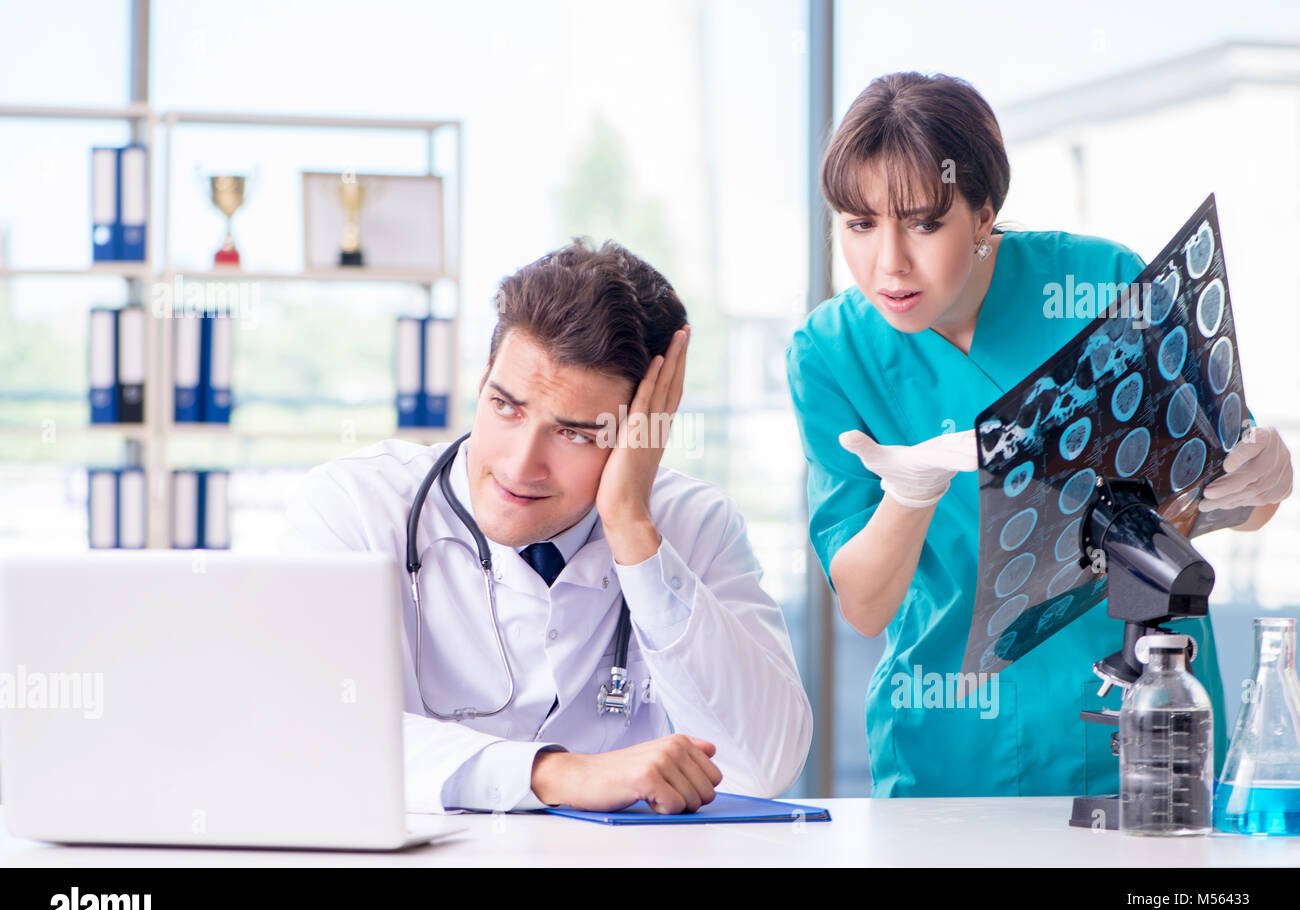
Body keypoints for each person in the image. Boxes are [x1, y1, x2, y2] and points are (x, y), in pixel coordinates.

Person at [786, 72, 1293, 798]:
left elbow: (1222, 496)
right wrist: (909, 494)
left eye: (925, 223)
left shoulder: (1101, 282)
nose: (888, 263)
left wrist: (1269, 475)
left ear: (985, 213)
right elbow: (864, 605)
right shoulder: (831, 352)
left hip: (1140, 715)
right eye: (859, 224)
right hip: (950, 746)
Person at [282, 239, 812, 814]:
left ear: (642, 431)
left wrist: (632, 529)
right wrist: (554, 775)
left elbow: (765, 763)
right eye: (506, 406)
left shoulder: (692, 525)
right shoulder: (355, 507)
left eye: (575, 433)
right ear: (484, 377)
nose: (518, 464)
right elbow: (311, 729)